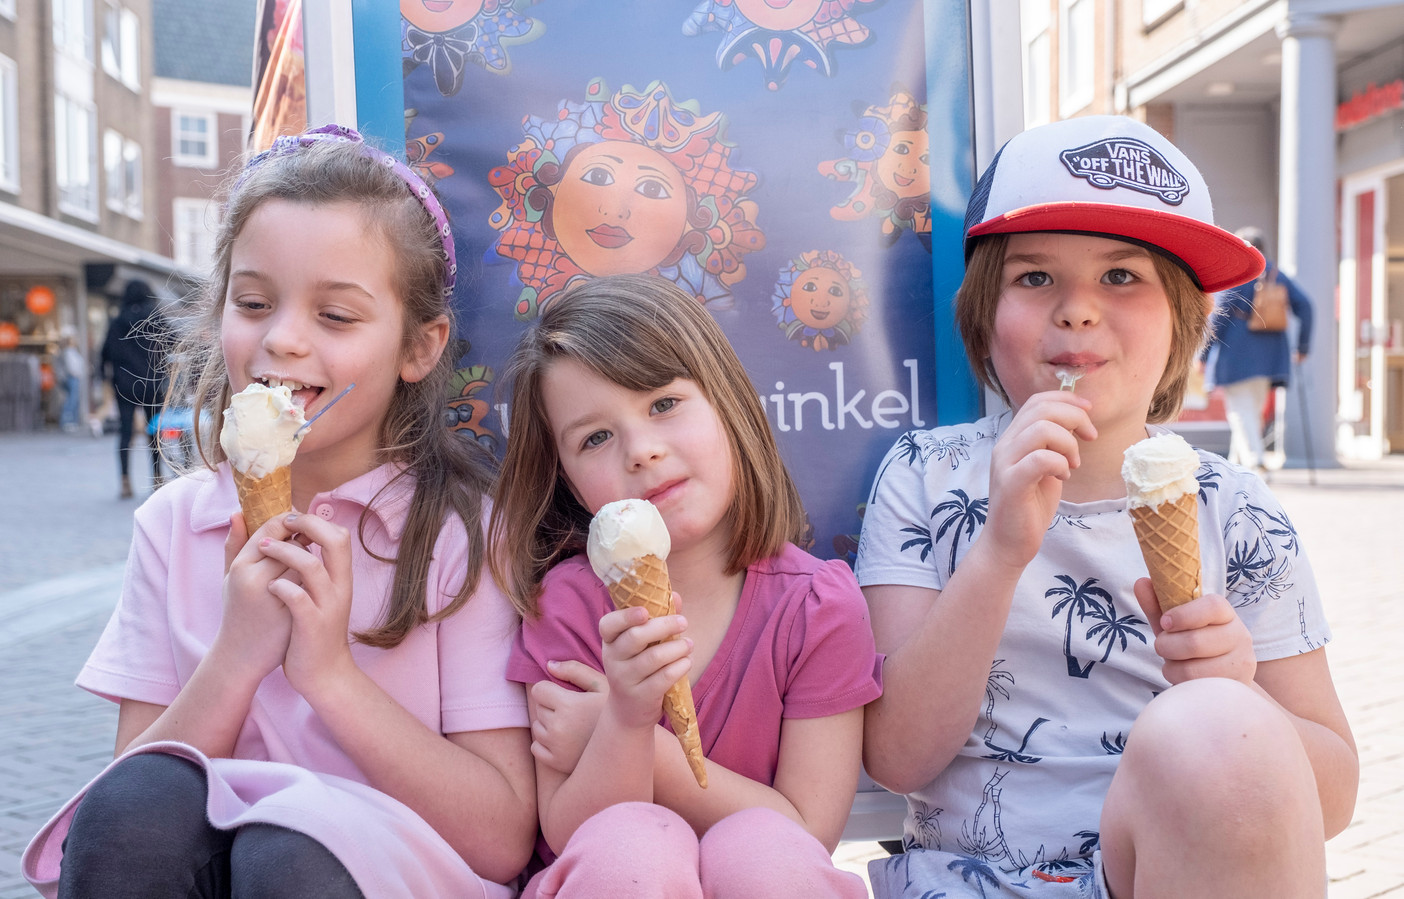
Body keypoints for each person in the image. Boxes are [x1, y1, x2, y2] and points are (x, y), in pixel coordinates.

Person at [22, 125, 536, 899]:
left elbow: (499, 840)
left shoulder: (463, 534)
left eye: (336, 316)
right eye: (255, 302)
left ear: (419, 346)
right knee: (129, 807)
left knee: (288, 851)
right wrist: (238, 650)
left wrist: (330, 674)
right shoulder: (173, 526)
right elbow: (131, 803)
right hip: (204, 863)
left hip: (381, 876)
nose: (284, 339)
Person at [856, 116, 1357, 898]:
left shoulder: (1234, 509)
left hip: (1176, 869)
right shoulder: (925, 475)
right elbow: (896, 756)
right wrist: (998, 553)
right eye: (1034, 277)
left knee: (1217, 729)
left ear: (1184, 322)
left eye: (1123, 276)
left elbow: (1331, 797)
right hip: (969, 879)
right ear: (984, 315)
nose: (1079, 310)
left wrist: (1240, 689)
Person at [490, 273, 882, 898]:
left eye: (663, 404)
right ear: (565, 479)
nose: (641, 451)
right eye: (595, 437)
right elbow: (570, 833)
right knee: (630, 845)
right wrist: (623, 717)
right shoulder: (567, 607)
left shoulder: (817, 608)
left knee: (762, 849)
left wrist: (656, 754)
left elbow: (807, 836)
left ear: (729, 402)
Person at [1201, 226, 1314, 471]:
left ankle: (1255, 460)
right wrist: (1302, 345)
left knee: (1240, 412)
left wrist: (1203, 353)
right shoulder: (1278, 275)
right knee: (1250, 410)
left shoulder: (1236, 274)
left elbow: (1218, 319)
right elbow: (1306, 306)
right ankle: (1235, 467)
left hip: (1235, 355)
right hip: (1271, 356)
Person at [101, 278, 169, 497]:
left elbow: (105, 354)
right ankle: (157, 477)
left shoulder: (117, 321)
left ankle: (125, 481)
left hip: (125, 385)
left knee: (125, 431)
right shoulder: (157, 318)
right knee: (154, 432)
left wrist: (106, 380)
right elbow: (174, 342)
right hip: (153, 384)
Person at [58, 331, 85, 432]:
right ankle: (67, 422)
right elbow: (70, 366)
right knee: (71, 400)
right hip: (71, 377)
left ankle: (72, 421)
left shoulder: (73, 351)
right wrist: (75, 373)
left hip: (75, 377)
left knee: (74, 399)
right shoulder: (67, 352)